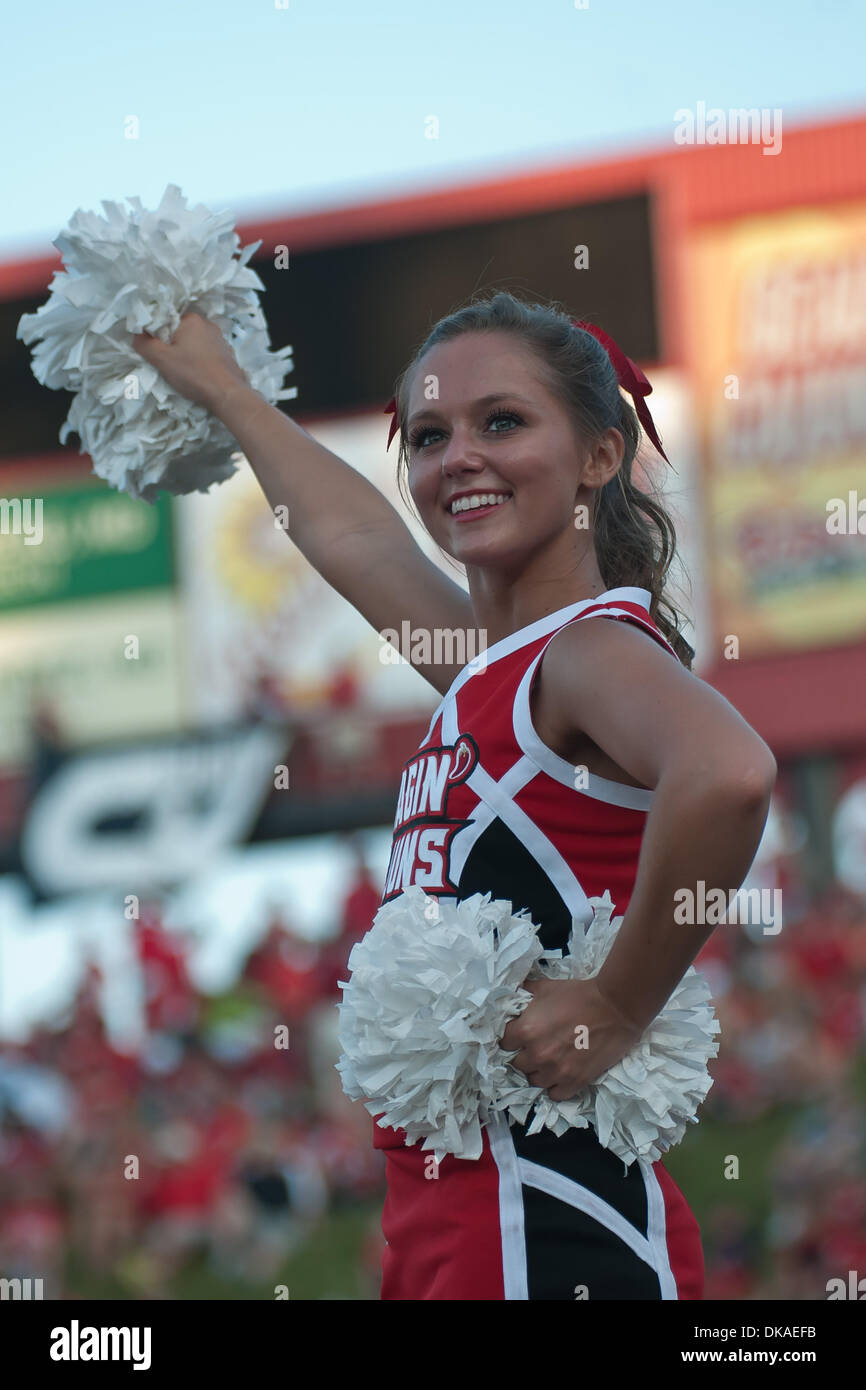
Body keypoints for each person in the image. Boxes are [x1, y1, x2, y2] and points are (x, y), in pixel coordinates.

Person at [133, 290, 776, 1300]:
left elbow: (729, 772)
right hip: (453, 1229)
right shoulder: (489, 667)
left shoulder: (586, 650)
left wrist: (615, 1003)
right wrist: (224, 388)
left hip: (553, 1232)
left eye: (502, 422)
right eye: (428, 436)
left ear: (599, 456)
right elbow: (360, 545)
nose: (458, 456)